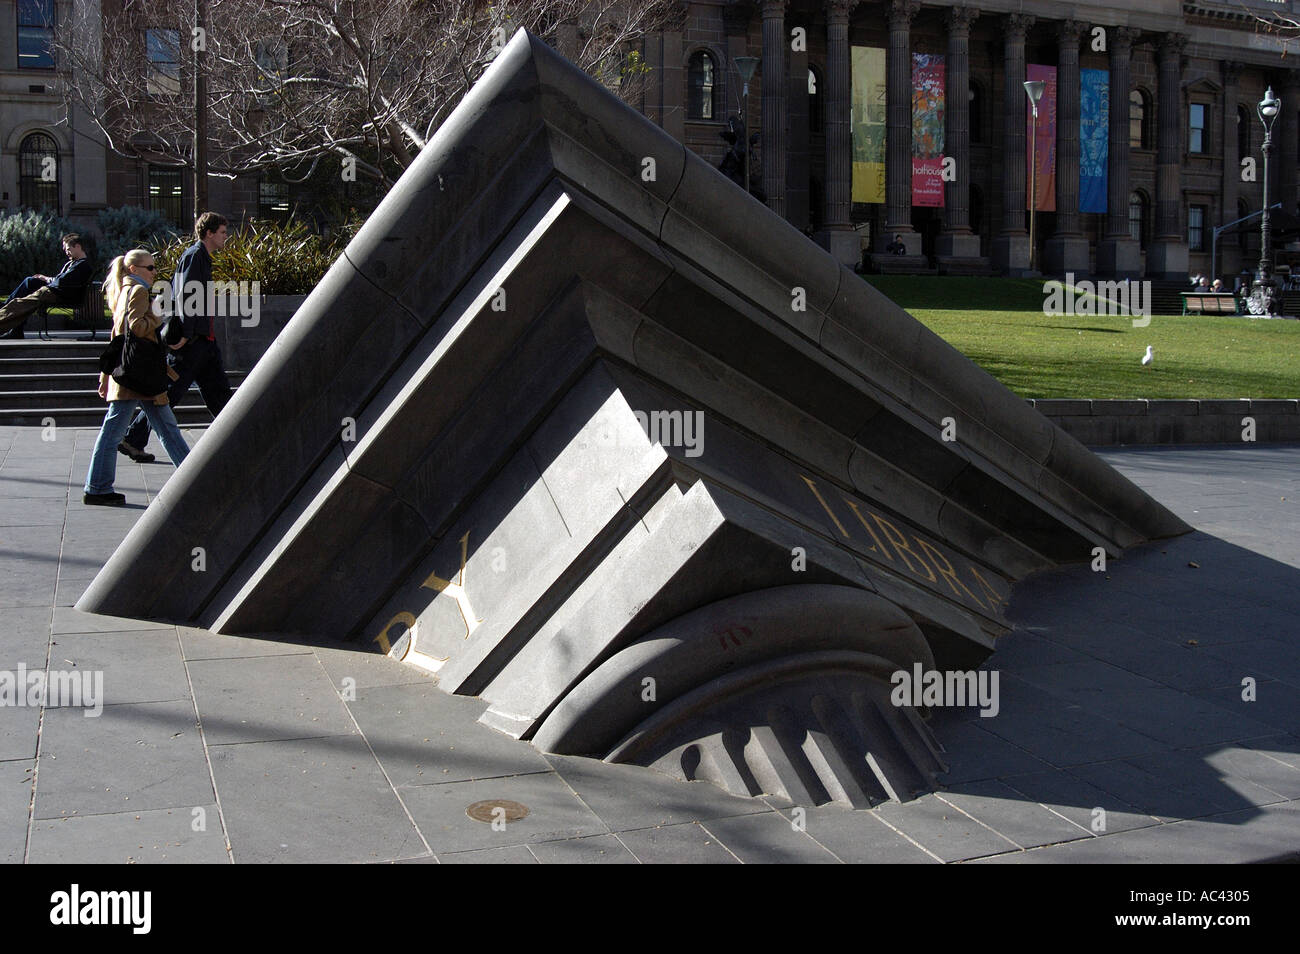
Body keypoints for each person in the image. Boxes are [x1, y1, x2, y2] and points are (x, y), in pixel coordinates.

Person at [118, 212, 234, 463]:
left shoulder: (200, 256)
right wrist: (187, 335)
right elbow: (187, 296)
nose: (226, 236)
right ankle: (132, 437)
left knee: (218, 393)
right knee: (171, 391)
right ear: (209, 233)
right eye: (223, 232)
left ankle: (235, 437)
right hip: (194, 341)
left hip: (204, 340)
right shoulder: (195, 256)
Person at [83, 250, 190, 505]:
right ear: (134, 269)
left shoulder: (122, 291)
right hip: (139, 375)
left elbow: (115, 338)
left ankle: (193, 477)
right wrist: (158, 313)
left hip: (132, 375)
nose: (155, 272)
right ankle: (97, 487)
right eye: (150, 268)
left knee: (164, 428)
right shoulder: (139, 292)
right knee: (119, 431)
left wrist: (105, 375)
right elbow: (138, 327)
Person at [0, 234, 93, 339]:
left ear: (78, 246)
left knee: (18, 305)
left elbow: (61, 282)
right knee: (31, 282)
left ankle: (4, 309)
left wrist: (47, 279)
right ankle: (10, 319)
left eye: (68, 249)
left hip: (57, 294)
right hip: (56, 291)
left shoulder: (82, 265)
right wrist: (45, 279)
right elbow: (63, 280)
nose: (66, 252)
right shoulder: (75, 263)